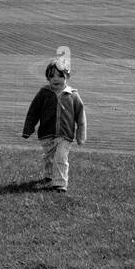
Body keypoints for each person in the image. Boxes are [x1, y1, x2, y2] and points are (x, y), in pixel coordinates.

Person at [22, 55, 87, 193]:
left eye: (60, 75)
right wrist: (28, 128)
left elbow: (81, 116)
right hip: (46, 133)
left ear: (66, 77)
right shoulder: (43, 93)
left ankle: (60, 183)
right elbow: (33, 112)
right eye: (52, 76)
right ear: (48, 78)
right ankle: (49, 176)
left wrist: (81, 135)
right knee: (50, 157)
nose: (56, 79)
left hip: (65, 134)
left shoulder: (73, 95)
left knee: (61, 157)